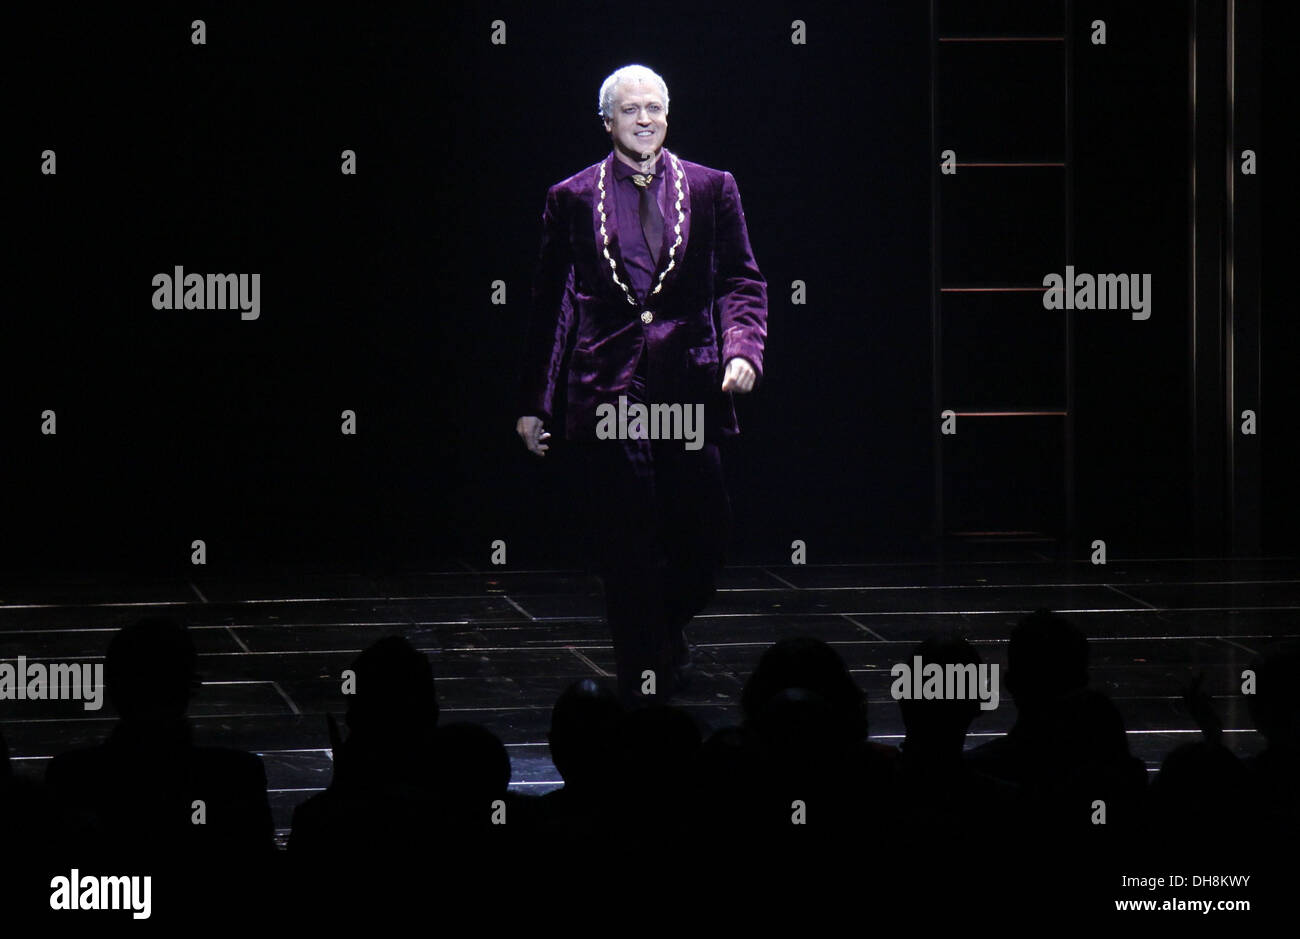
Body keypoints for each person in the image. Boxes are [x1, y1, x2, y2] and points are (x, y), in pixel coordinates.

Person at [516, 64, 767, 704]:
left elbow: (743, 281)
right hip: (610, 388)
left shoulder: (713, 189)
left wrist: (743, 350)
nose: (644, 118)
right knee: (626, 537)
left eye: (653, 107)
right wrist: (534, 402)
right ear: (608, 121)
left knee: (705, 536)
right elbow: (552, 307)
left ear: (668, 115)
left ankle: (660, 632)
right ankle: (641, 677)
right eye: (630, 109)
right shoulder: (571, 198)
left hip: (688, 384)